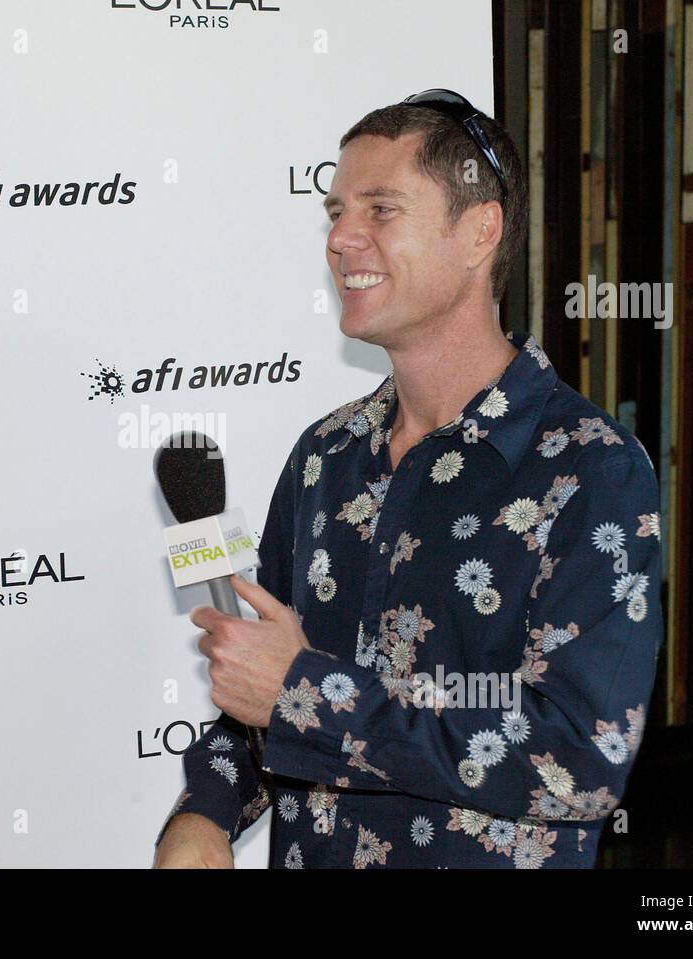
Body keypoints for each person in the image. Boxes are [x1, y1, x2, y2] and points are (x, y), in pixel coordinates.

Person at [154, 90, 662, 869]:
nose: (340, 238)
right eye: (334, 211)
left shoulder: (591, 470)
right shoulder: (325, 456)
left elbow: (578, 762)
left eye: (380, 209)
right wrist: (203, 814)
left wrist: (309, 695)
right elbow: (269, 688)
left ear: (479, 231)